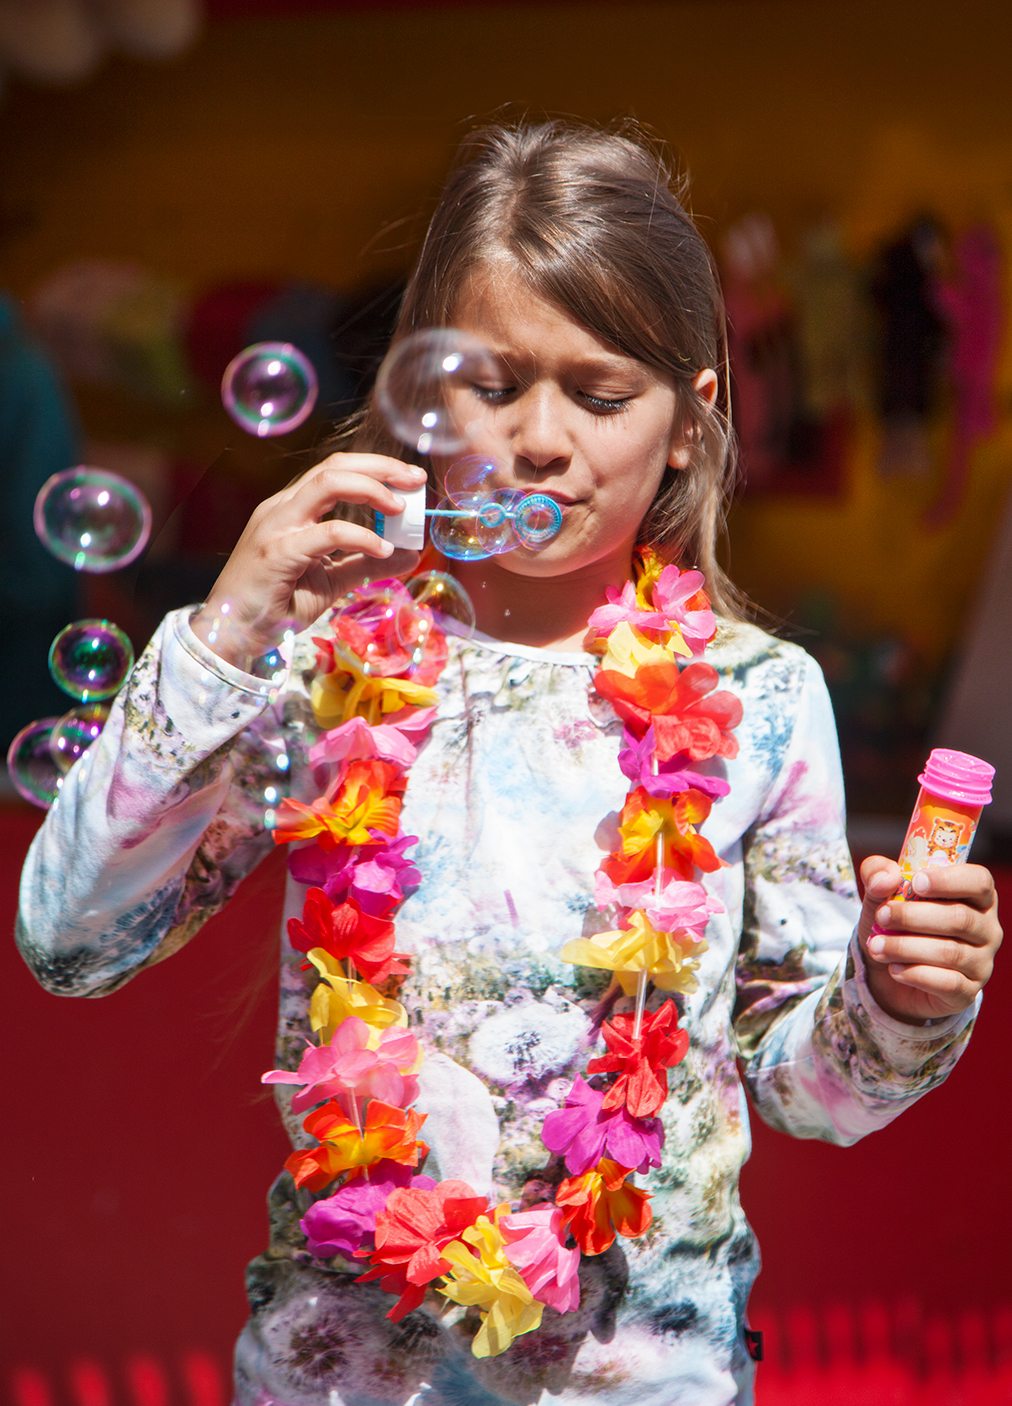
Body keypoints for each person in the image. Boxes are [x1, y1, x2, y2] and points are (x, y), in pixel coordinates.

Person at [16, 121, 1002, 1406]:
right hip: (342, 1377)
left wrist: (904, 997)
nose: (541, 439)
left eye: (598, 396)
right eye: (491, 385)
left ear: (691, 422)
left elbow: (812, 1088)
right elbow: (70, 939)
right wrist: (228, 628)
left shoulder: (760, 701)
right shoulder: (321, 665)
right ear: (422, 402)